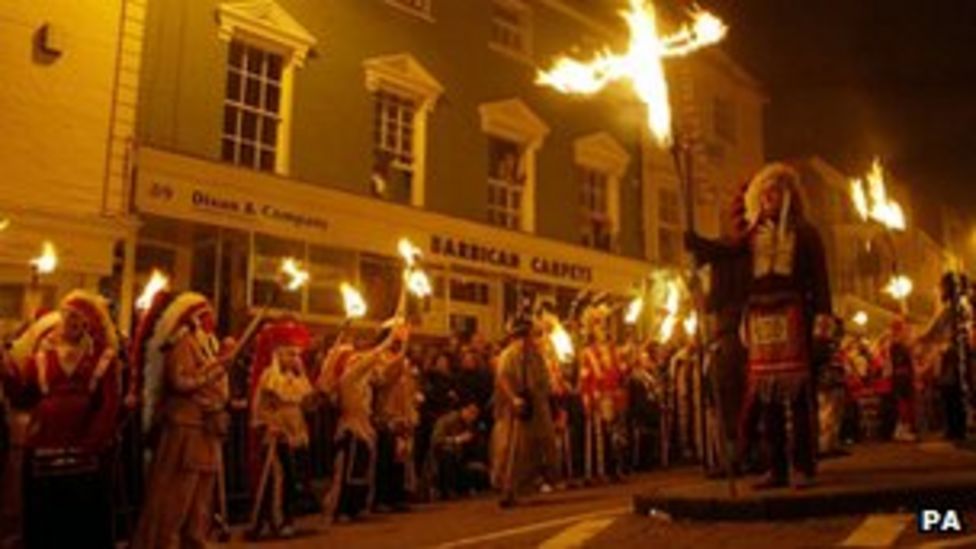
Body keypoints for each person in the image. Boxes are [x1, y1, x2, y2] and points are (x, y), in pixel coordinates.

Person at [686, 162, 833, 489]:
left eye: (775, 192)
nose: (769, 198)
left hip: (795, 317)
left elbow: (821, 282)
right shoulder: (752, 235)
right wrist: (697, 244)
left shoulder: (806, 233)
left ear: (789, 195)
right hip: (762, 321)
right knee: (767, 397)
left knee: (798, 396)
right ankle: (777, 469)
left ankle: (803, 467)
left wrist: (822, 325)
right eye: (764, 193)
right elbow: (727, 251)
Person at [2, 292, 120, 548]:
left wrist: (92, 443)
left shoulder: (103, 358)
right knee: (45, 519)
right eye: (68, 316)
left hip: (84, 457)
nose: (72, 322)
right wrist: (7, 372)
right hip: (45, 449)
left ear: (88, 323)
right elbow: (24, 397)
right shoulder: (41, 357)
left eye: (79, 318)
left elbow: (109, 404)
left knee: (79, 522)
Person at [131, 292, 232, 549]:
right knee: (177, 494)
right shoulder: (181, 342)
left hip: (206, 428)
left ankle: (194, 539)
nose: (212, 318)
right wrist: (213, 373)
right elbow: (180, 381)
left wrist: (218, 379)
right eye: (206, 313)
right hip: (184, 428)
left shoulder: (209, 343)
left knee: (201, 495)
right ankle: (165, 542)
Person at [321, 320, 408, 524]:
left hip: (364, 426)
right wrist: (389, 339)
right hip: (351, 427)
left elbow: (388, 375)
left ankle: (357, 506)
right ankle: (341, 509)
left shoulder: (365, 381)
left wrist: (403, 346)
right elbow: (371, 358)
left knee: (362, 470)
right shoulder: (348, 379)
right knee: (348, 471)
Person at [246, 318, 315, 540]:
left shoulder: (297, 379)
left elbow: (306, 401)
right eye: (289, 354)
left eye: (296, 354)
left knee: (293, 479)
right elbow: (260, 408)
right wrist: (270, 426)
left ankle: (288, 518)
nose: (294, 358)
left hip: (296, 432)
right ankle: (275, 519)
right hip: (276, 434)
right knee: (279, 478)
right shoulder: (269, 377)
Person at [493, 312, 558, 508]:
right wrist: (514, 399)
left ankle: (527, 484)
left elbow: (544, 381)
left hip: (537, 405)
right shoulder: (508, 355)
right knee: (513, 449)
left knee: (536, 446)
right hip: (517, 407)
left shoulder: (536, 356)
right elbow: (503, 378)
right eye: (521, 335)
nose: (525, 339)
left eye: (527, 334)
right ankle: (508, 488)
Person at [579, 303, 624, 482]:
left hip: (613, 397)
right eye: (599, 325)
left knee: (615, 435)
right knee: (600, 435)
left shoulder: (613, 350)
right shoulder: (588, 353)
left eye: (604, 325)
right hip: (598, 397)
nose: (603, 329)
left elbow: (619, 373)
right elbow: (584, 378)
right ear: (592, 330)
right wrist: (587, 397)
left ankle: (615, 469)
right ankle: (599, 471)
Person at [372, 332, 417, 513]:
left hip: (402, 413)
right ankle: (382, 498)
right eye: (396, 340)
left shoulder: (404, 362)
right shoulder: (379, 359)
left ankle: (398, 495)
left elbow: (409, 387)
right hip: (386, 414)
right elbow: (382, 379)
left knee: (400, 458)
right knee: (385, 459)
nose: (399, 343)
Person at [430, 402, 483, 499]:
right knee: (448, 456)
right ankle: (447, 490)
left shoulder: (468, 425)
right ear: (464, 410)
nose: (473, 417)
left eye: (476, 414)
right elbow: (436, 440)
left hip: (459, 456)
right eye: (471, 412)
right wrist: (457, 439)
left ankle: (465, 488)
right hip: (442, 455)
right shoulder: (448, 420)